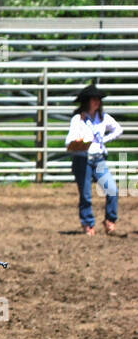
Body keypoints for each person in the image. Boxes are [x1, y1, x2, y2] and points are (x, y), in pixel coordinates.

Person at [65, 81, 123, 235]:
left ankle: (110, 219)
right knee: (86, 194)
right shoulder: (78, 119)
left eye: (98, 99)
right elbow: (68, 140)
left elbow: (118, 129)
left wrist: (104, 139)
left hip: (98, 159)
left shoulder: (103, 118)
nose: (97, 102)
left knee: (112, 189)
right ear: (87, 101)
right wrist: (77, 143)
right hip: (82, 159)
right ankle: (88, 223)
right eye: (94, 99)